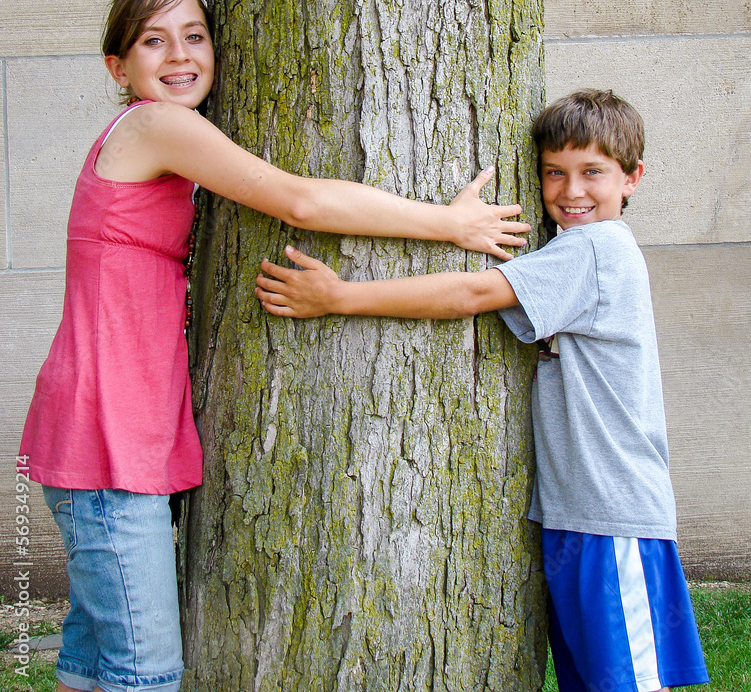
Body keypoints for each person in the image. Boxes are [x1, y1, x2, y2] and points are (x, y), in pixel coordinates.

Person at [18, 0, 531, 692]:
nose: (179, 55)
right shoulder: (154, 124)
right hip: (107, 441)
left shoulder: (154, 137)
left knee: (93, 662)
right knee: (146, 675)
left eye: (194, 36)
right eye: (153, 41)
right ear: (118, 67)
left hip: (112, 431)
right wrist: (446, 223)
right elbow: (299, 200)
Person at [256, 89, 709, 692]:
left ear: (632, 179)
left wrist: (341, 297)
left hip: (614, 519)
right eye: (555, 173)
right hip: (582, 516)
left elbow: (471, 295)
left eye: (592, 172)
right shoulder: (575, 250)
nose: (571, 192)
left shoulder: (598, 249)